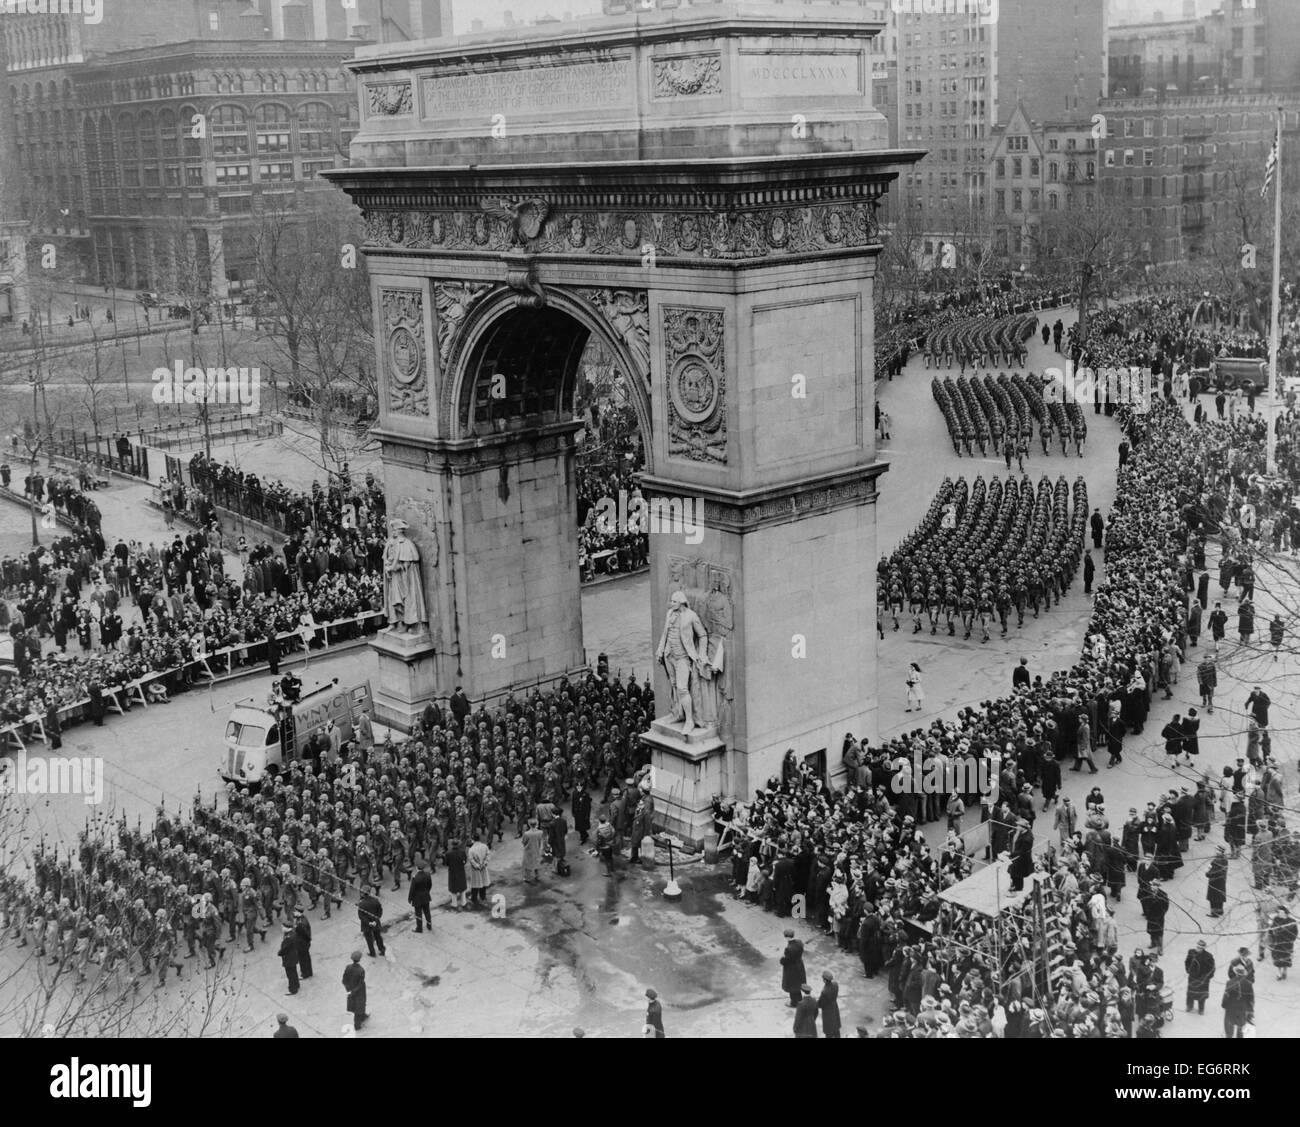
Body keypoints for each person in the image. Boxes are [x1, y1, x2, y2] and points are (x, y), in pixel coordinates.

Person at [1221, 965, 1254, 1038]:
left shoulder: (1229, 982)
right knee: (1241, 1028)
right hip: (1242, 1009)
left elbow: (1226, 995)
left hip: (1230, 1008)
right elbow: (1251, 998)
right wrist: (1250, 1010)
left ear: (1236, 973)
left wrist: (1224, 1004)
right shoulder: (1248, 984)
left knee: (1229, 1028)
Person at [1184, 940, 1215, 1016]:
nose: (1199, 949)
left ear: (1203, 948)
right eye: (1198, 947)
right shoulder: (1191, 952)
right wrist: (1188, 970)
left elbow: (1212, 968)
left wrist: (1207, 977)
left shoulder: (1208, 956)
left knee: (1202, 995)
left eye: (1201, 948)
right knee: (1190, 993)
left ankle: (1201, 1009)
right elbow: (1187, 962)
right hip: (1193, 977)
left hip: (1203, 979)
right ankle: (1189, 1006)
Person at [1269, 905, 1297, 980]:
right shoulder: (1276, 919)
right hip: (1277, 943)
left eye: (1279, 912)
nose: (1278, 913)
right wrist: (1272, 935)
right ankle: (1279, 973)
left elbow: (1295, 933)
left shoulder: (1292, 921)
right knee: (1278, 958)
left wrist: (1290, 940)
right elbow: (1271, 929)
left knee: (1286, 958)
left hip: (1287, 943)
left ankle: (1284, 971)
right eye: (1278, 912)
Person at [780, 928, 806, 1006]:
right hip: (799, 965)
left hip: (791, 968)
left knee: (792, 985)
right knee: (797, 984)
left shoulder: (788, 949)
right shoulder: (799, 942)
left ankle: (794, 1002)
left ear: (787, 937)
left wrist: (782, 959)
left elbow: (785, 960)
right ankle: (799, 999)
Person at [343, 950, 368, 1031]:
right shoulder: (361, 970)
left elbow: (344, 980)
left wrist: (348, 989)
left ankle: (362, 1015)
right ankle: (357, 1024)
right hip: (359, 991)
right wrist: (355, 991)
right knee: (359, 1005)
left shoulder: (348, 967)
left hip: (350, 990)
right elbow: (360, 983)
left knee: (352, 1005)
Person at [358, 889, 385, 957]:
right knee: (378, 936)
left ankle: (372, 953)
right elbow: (380, 911)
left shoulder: (361, 904)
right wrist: (375, 921)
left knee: (369, 939)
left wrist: (369, 923)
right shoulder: (376, 900)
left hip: (366, 924)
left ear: (362, 894)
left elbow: (361, 916)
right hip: (376, 922)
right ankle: (382, 950)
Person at [408, 859, 433, 932]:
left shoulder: (415, 878)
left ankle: (419, 928)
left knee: (418, 913)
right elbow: (430, 885)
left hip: (417, 899)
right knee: (427, 911)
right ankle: (429, 925)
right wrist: (427, 892)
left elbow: (412, 890)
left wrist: (410, 898)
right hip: (426, 896)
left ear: (416, 868)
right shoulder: (428, 875)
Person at [278, 924, 300, 996]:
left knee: (290, 974)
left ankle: (293, 989)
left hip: (289, 958)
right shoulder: (292, 933)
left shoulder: (288, 938)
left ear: (287, 928)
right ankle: (296, 985)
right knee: (293, 971)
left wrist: (279, 953)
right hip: (293, 956)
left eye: (283, 927)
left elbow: (284, 949)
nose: (282, 928)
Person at [817, 970, 841, 1038]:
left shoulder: (824, 992)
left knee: (829, 1030)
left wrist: (816, 1003)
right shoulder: (836, 984)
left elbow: (820, 1003)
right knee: (836, 1028)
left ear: (824, 980)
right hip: (834, 1007)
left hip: (827, 1011)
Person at [521, 819, 545, 884]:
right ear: (536, 824)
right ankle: (538, 876)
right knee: (536, 863)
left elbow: (524, 842)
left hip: (528, 851)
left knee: (528, 864)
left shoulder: (526, 834)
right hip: (537, 849)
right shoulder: (540, 832)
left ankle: (527, 878)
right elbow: (540, 840)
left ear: (529, 824)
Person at [1207, 847, 1228, 918]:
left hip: (1214, 881)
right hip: (1221, 881)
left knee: (1213, 897)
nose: (1215, 851)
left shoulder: (1216, 861)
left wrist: (1208, 873)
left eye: (1217, 850)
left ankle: (1214, 912)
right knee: (1219, 895)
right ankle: (1220, 910)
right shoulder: (1225, 860)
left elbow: (1213, 872)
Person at [293, 908, 313, 980]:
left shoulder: (300, 923)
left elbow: (304, 934)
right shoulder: (303, 918)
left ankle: (304, 973)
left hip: (302, 943)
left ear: (299, 912)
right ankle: (309, 972)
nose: (294, 912)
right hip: (305, 943)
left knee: (302, 959)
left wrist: (306, 941)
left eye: (295, 911)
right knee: (307, 957)